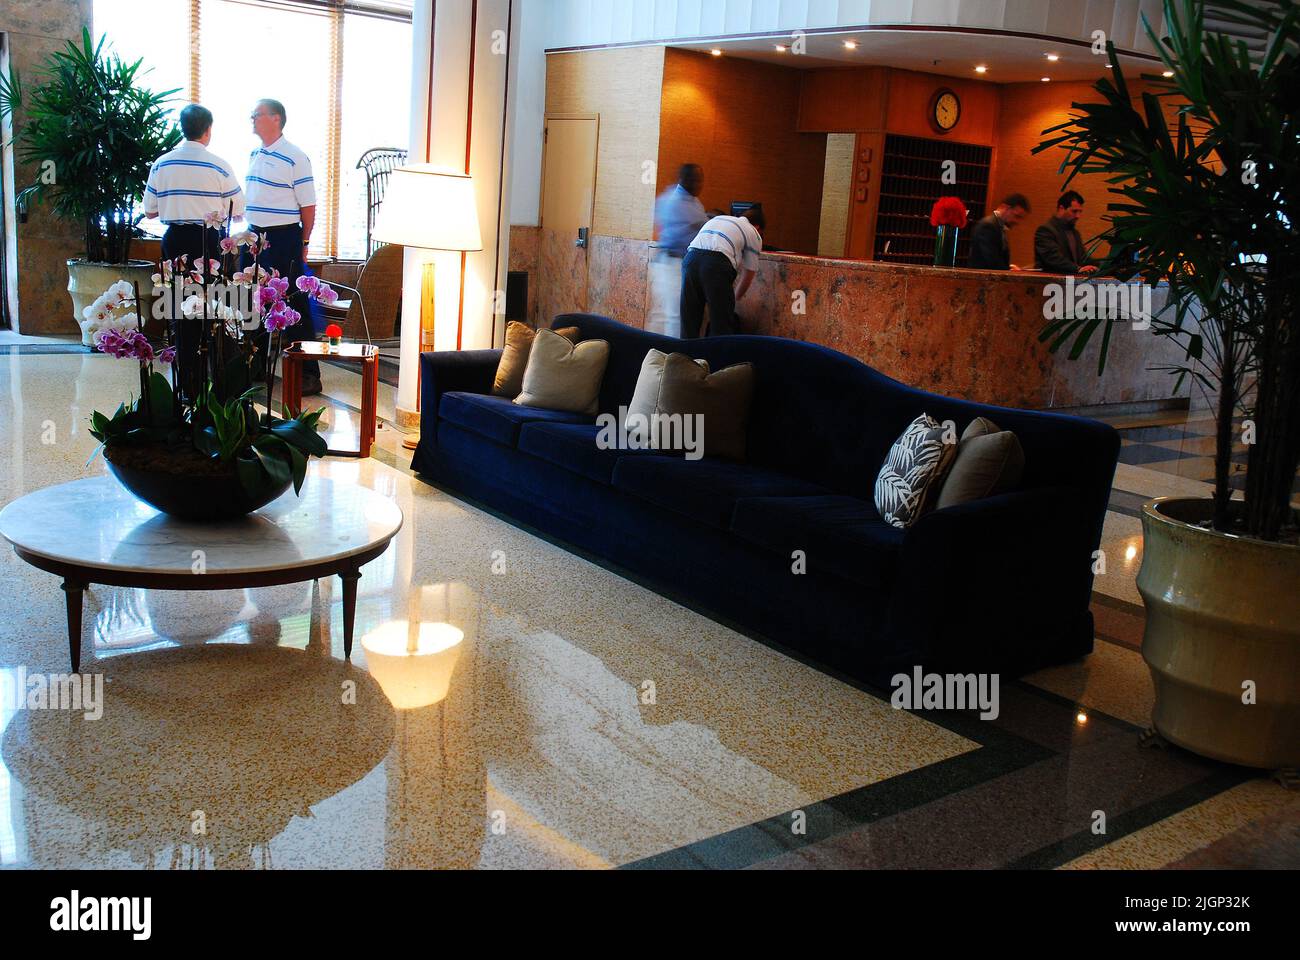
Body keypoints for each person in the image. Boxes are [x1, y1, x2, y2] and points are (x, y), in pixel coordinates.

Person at [143, 104, 244, 400]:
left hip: (174, 242)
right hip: (210, 243)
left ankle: (187, 387)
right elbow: (238, 211)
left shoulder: (161, 164)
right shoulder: (220, 165)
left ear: (182, 128)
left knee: (180, 313)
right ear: (208, 130)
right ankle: (222, 389)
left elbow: (150, 211)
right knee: (218, 311)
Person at [243, 98, 321, 395]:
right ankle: (254, 365)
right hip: (254, 238)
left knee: (293, 304)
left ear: (276, 119)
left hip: (284, 237)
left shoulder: (295, 156)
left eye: (257, 114)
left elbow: (309, 205)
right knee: (252, 301)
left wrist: (304, 242)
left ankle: (308, 373)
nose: (252, 118)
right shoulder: (254, 153)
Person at [680, 205, 765, 339]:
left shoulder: (720, 219)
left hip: (690, 260)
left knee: (689, 321)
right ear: (758, 227)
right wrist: (733, 298)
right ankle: (717, 359)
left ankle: (684, 358)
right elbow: (748, 275)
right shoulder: (753, 233)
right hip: (716, 265)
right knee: (721, 325)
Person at [649, 164, 707, 337]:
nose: (699, 185)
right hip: (672, 262)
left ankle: (656, 352)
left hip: (677, 263)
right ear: (684, 180)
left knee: (663, 315)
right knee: (676, 315)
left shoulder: (694, 202)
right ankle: (671, 356)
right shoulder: (674, 201)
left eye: (700, 180)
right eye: (695, 180)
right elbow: (680, 234)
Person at [1034, 190, 1099, 275]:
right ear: (1061, 209)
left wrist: (1103, 265)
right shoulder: (1045, 230)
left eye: (1080, 212)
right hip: (1050, 284)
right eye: (1074, 211)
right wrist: (1078, 269)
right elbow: (1053, 259)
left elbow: (1084, 259)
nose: (1078, 216)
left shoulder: (1074, 233)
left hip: (1068, 283)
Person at [967, 194, 1030, 271]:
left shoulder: (997, 226)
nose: (1017, 222)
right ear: (1006, 208)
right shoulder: (988, 226)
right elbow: (990, 261)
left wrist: (1009, 267)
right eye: (1017, 216)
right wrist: (1009, 271)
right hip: (982, 280)